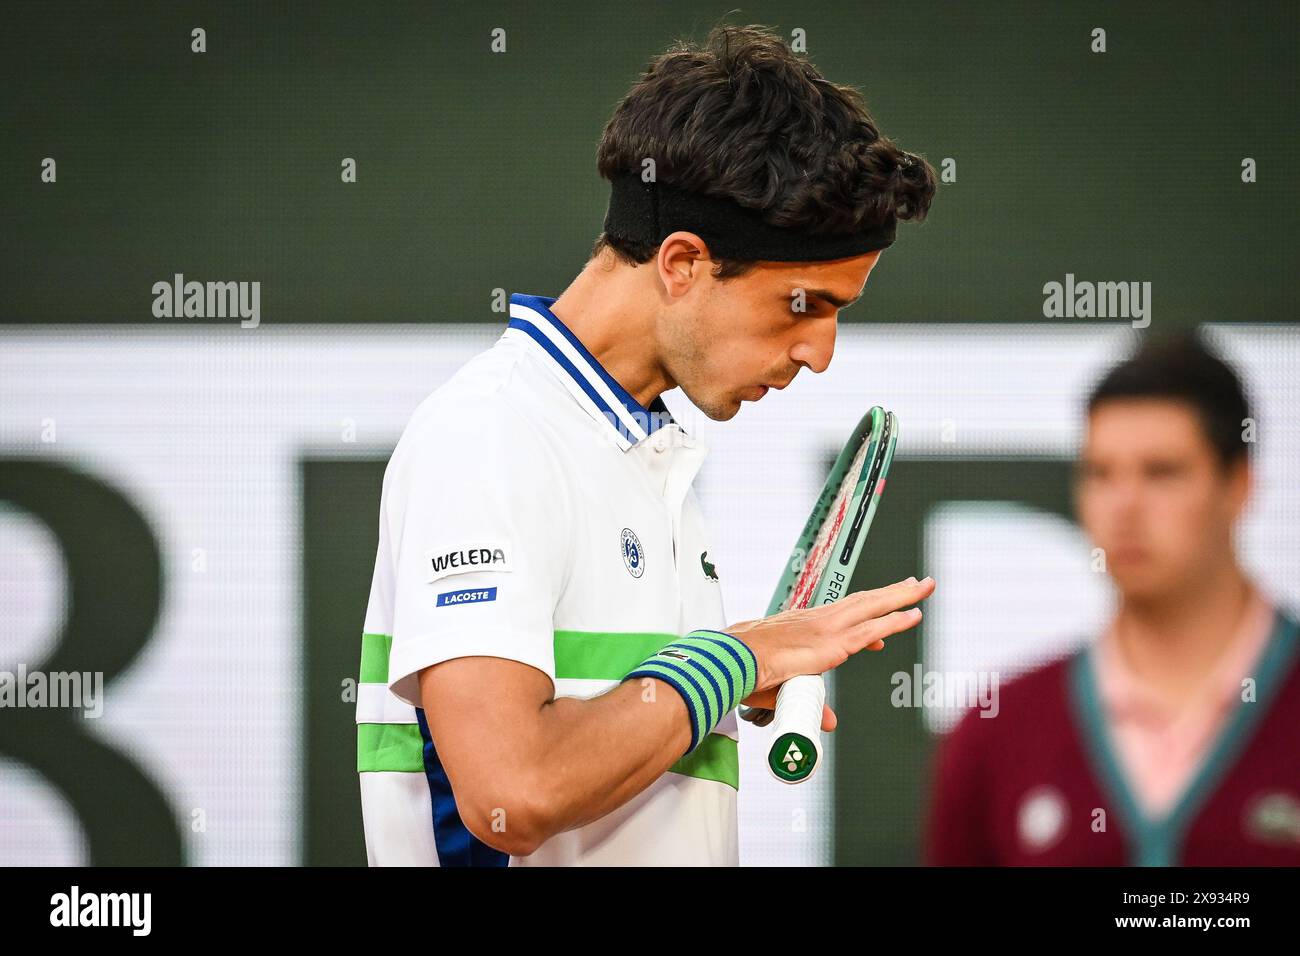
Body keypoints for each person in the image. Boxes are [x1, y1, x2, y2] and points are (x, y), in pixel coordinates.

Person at [357, 23, 937, 866]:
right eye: (805, 304)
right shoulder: (491, 433)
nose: (821, 353)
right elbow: (511, 794)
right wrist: (732, 661)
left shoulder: (640, 453)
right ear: (681, 264)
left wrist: (722, 677)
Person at [926, 332, 1300, 865]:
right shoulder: (997, 731)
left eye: (1161, 472)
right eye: (1100, 474)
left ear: (1238, 484)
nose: (1124, 507)